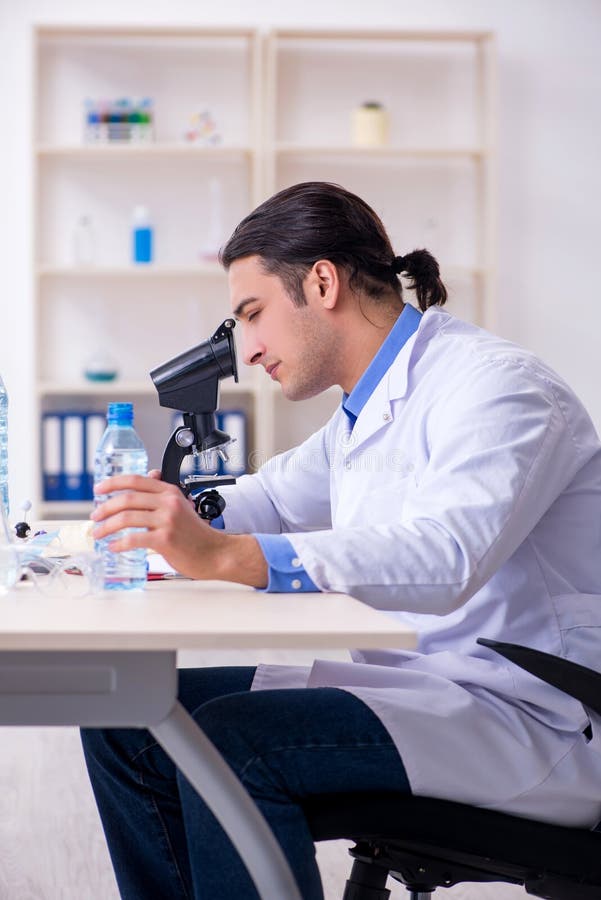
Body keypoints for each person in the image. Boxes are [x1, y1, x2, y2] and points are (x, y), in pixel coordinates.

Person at [81, 182, 601, 900]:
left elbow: (447, 555)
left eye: (253, 314)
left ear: (322, 282)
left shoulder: (499, 389)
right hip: (429, 690)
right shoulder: (364, 411)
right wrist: (164, 514)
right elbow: (271, 497)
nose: (248, 348)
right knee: (128, 717)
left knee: (230, 742)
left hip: (533, 716)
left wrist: (234, 558)